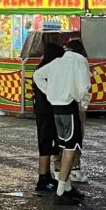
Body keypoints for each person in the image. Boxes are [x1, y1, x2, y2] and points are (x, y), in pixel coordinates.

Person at [32, 38, 90, 206]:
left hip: (56, 109)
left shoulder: (57, 62)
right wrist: (83, 105)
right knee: (71, 149)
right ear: (81, 51)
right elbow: (84, 88)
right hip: (69, 108)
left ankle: (67, 187)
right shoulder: (80, 61)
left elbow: (37, 75)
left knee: (64, 147)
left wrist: (50, 92)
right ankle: (61, 191)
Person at [33, 42, 65, 194]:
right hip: (47, 111)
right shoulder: (48, 70)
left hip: (41, 111)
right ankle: (43, 178)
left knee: (45, 143)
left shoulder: (40, 67)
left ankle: (46, 176)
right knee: (46, 143)